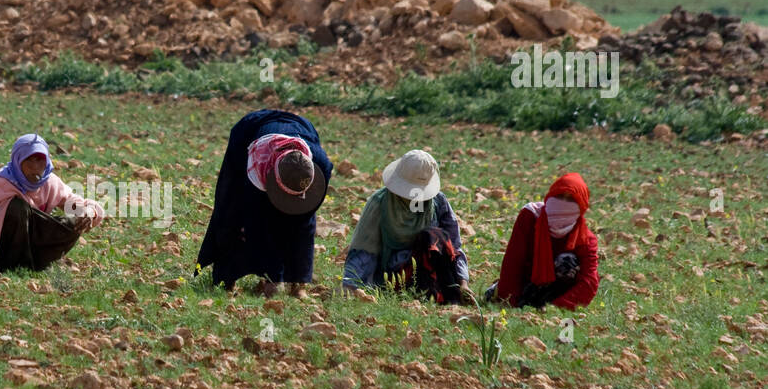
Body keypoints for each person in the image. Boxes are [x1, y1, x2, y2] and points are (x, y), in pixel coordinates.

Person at [196, 109, 332, 292]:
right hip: (248, 134)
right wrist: (273, 277)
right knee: (235, 212)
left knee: (302, 221)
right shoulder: (256, 165)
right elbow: (255, 222)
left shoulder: (320, 164)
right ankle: (227, 278)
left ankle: (297, 284)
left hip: (302, 127)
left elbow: (306, 218)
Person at [341, 149, 469, 303]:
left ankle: (443, 294)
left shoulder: (437, 203)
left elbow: (453, 245)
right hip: (393, 276)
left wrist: (463, 282)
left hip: (432, 275)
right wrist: (350, 284)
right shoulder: (380, 204)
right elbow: (364, 251)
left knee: (434, 236)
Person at [0, 134, 105, 272]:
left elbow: (72, 200)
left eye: (39, 160)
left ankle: (33, 264)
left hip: (29, 250)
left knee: (76, 220)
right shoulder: (2, 184)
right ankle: (11, 265)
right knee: (17, 207)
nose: (35, 167)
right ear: (18, 161)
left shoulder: (49, 182)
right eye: (29, 161)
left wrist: (89, 212)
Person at [487, 172, 598, 310]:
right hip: (528, 282)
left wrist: (555, 308)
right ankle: (504, 292)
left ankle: (541, 303)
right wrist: (509, 301)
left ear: (581, 205)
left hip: (557, 293)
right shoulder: (531, 216)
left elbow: (589, 282)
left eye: (570, 200)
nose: (563, 203)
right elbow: (514, 261)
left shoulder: (585, 238)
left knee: (568, 261)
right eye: (559, 196)